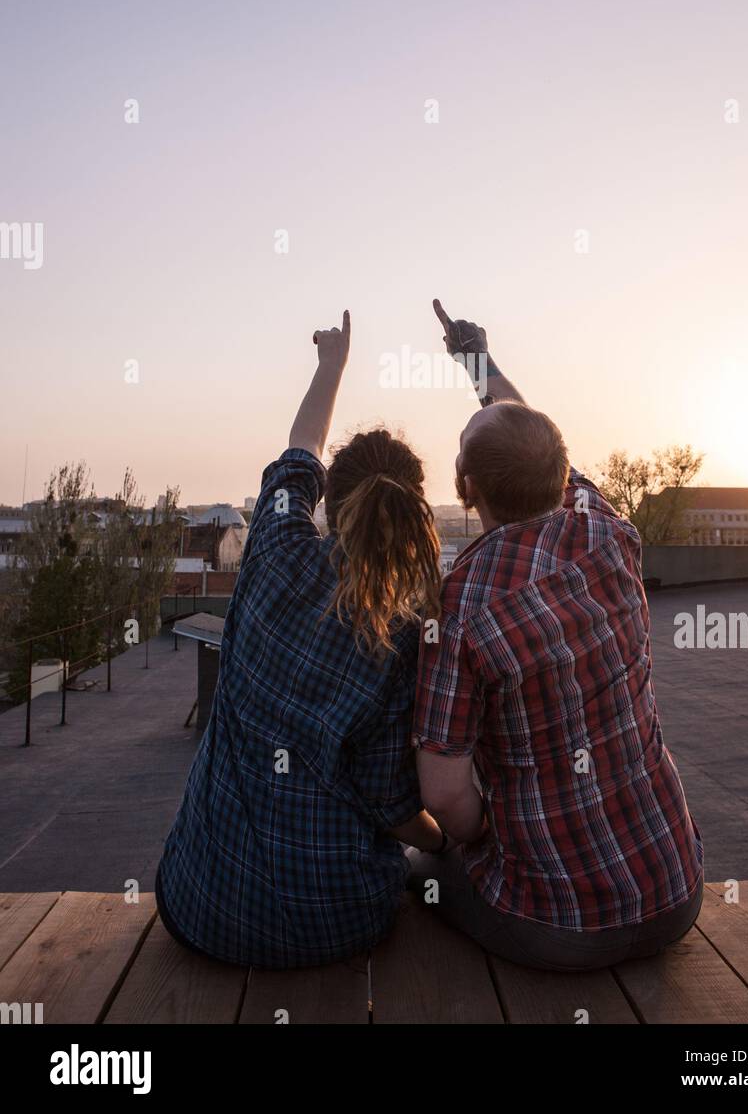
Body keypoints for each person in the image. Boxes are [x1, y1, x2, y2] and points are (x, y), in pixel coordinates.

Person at [408, 300, 704, 971]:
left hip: (554, 925)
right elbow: (537, 441)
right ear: (562, 475)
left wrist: (481, 836)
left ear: (464, 486)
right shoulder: (608, 529)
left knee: (412, 865)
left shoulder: (465, 604)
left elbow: (445, 797)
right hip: (676, 892)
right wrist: (477, 360)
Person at [156, 311, 446, 968]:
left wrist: (331, 364)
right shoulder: (403, 634)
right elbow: (394, 805)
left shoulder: (275, 550)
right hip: (339, 923)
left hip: (203, 907)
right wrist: (446, 843)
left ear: (329, 504)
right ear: (409, 513)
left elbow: (300, 449)